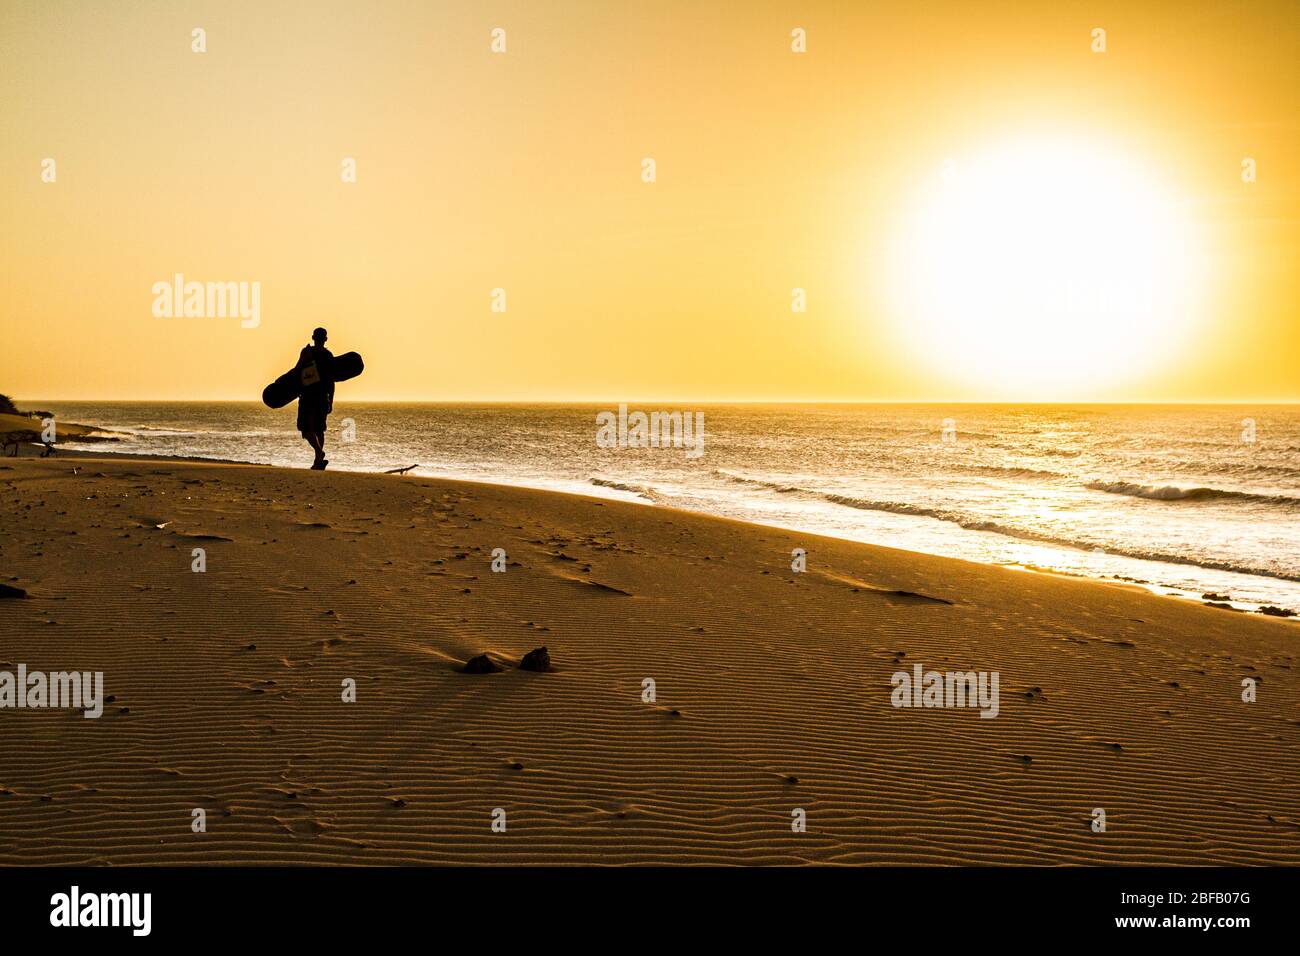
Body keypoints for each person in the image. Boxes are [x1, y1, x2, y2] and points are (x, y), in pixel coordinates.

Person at [296, 327, 335, 470]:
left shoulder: (307, 352)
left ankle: (319, 454)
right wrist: (331, 400)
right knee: (319, 430)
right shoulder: (328, 355)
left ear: (313, 337)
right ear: (325, 339)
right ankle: (318, 458)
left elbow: (297, 370)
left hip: (308, 395)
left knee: (306, 429)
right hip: (322, 396)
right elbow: (332, 380)